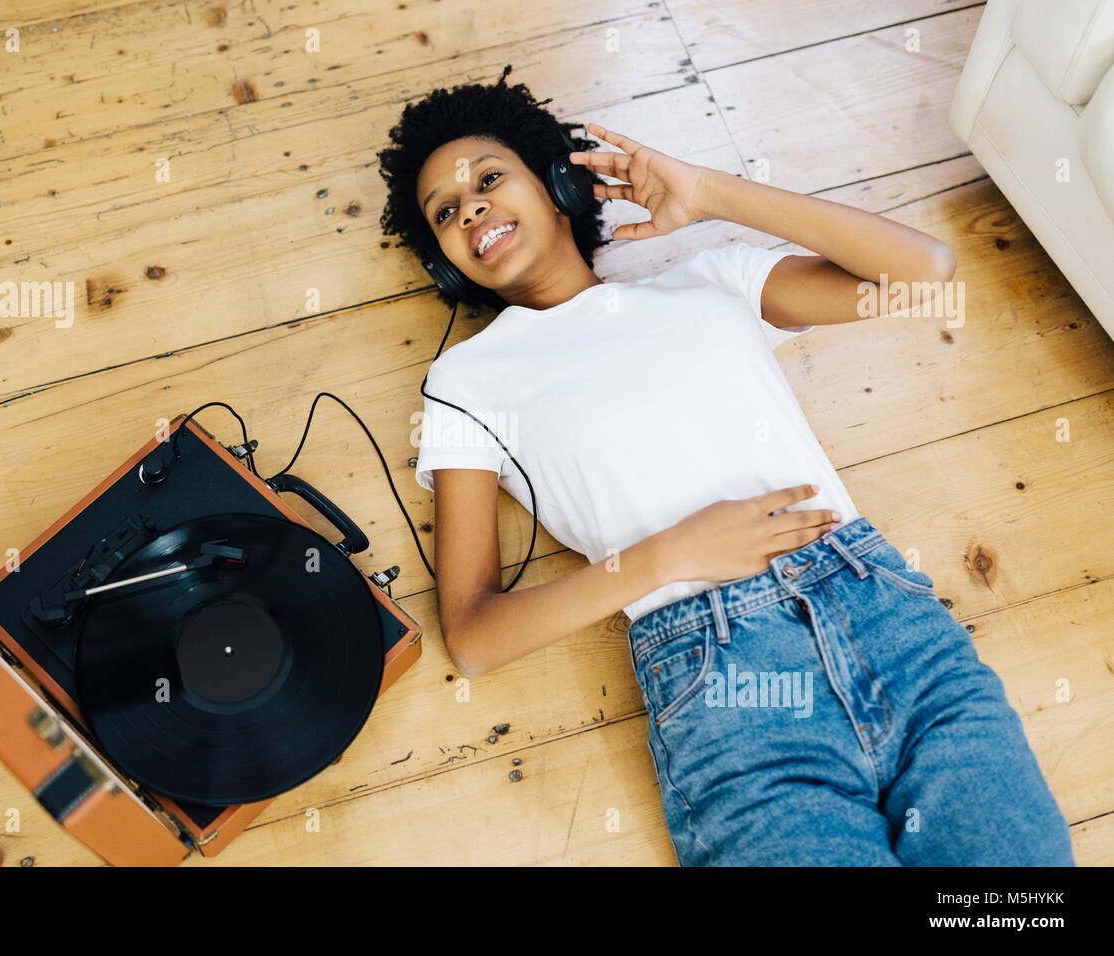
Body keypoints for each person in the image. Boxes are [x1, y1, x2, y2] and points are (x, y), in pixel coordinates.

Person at [377, 65, 1073, 866]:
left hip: (888, 622)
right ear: (445, 261)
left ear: (557, 185)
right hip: (727, 686)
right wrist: (666, 556)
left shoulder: (710, 282)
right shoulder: (465, 382)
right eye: (447, 213)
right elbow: (473, 635)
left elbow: (924, 277)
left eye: (489, 179)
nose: (471, 210)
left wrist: (707, 192)